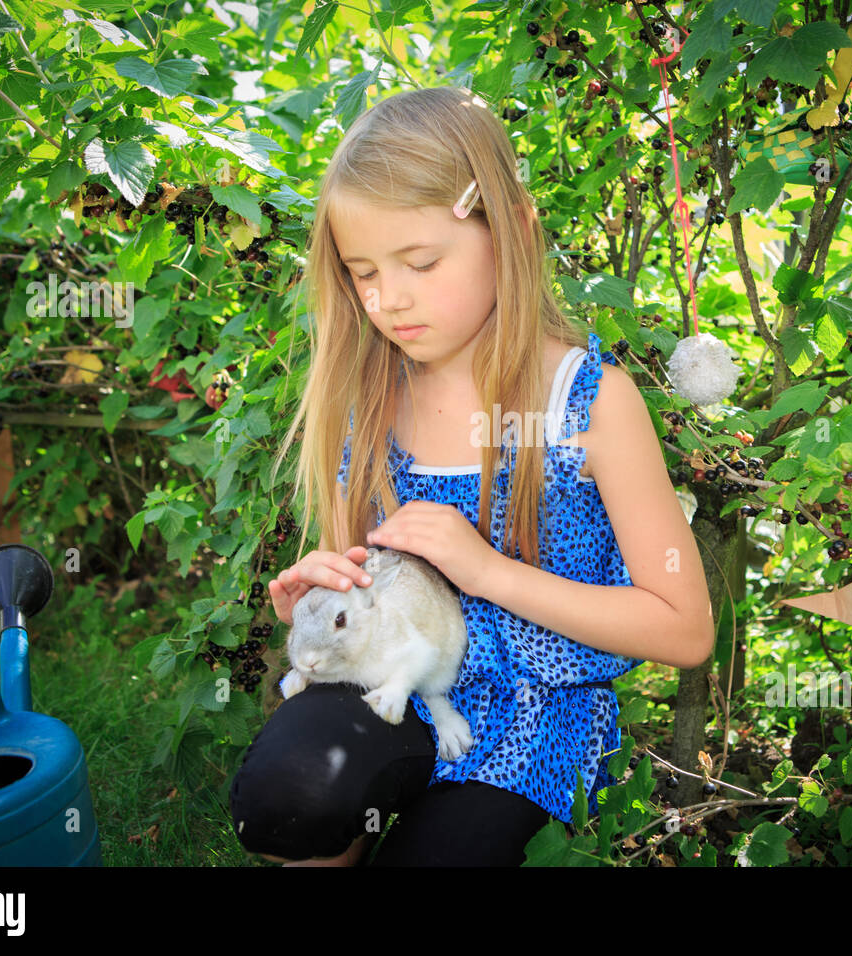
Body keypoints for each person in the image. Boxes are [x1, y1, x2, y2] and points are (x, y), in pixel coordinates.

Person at [228, 86, 714, 867]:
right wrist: (319, 601)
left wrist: (487, 572)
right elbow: (366, 591)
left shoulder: (586, 405)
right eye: (363, 273)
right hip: (401, 689)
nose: (388, 300)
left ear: (511, 230)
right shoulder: (373, 398)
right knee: (288, 799)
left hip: (537, 720)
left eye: (420, 262)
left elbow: (685, 629)